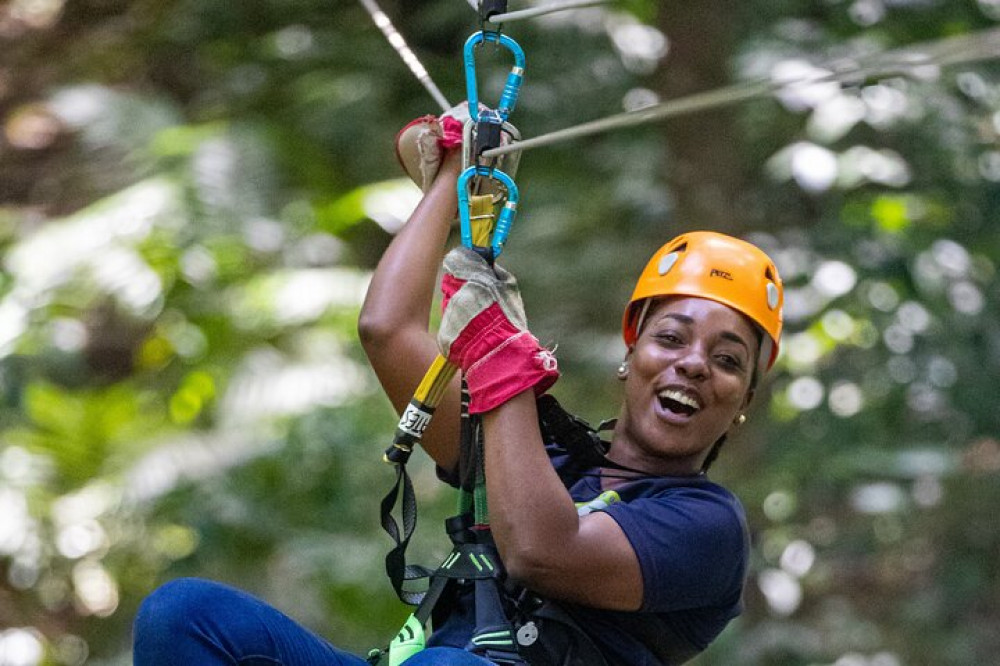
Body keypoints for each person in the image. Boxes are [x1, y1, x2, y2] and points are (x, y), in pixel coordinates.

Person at [131, 114, 783, 666]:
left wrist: (500, 364)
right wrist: (454, 176)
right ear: (631, 354)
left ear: (744, 399)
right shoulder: (544, 458)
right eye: (671, 339)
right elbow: (387, 330)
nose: (695, 364)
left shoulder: (708, 528)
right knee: (183, 616)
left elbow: (540, 550)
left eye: (727, 360)